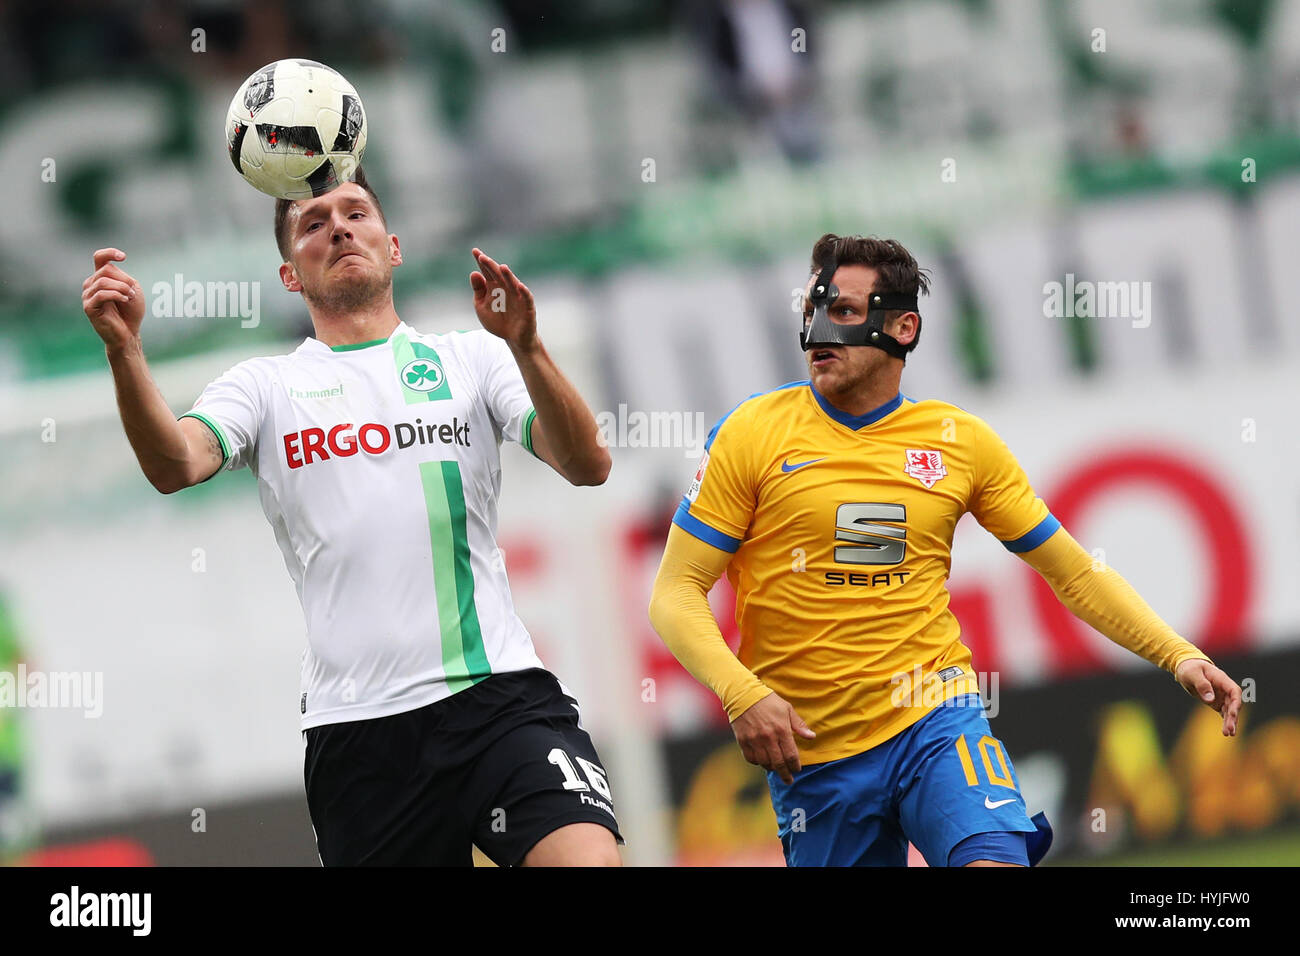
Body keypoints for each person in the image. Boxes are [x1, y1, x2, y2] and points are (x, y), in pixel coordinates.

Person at [648, 233, 1243, 867]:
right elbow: (674, 593)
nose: (820, 330)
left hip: (934, 720)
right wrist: (741, 693)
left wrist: (1176, 653)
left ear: (903, 328)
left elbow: (1072, 571)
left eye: (844, 311)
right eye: (812, 310)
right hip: (815, 758)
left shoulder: (959, 442)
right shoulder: (752, 433)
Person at [81, 168, 621, 867]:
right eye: (313, 223)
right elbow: (174, 464)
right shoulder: (265, 387)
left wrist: (527, 346)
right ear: (289, 275)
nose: (338, 227)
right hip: (361, 735)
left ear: (393, 246)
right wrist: (124, 350)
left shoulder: (472, 358)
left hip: (499, 699)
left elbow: (588, 464)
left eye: (356, 213)